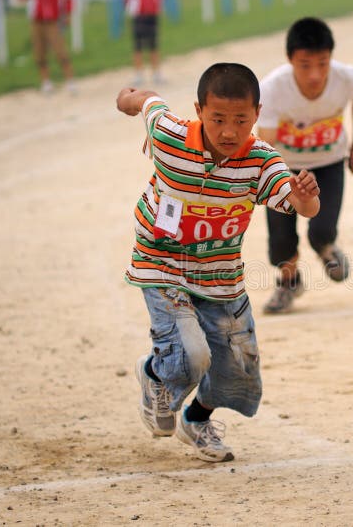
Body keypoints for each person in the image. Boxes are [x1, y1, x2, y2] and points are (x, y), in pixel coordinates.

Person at [116, 63, 321, 462]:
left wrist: (304, 195)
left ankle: (195, 420)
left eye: (241, 120)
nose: (229, 131)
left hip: (220, 275)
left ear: (257, 115)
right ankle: (157, 373)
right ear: (199, 111)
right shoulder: (171, 136)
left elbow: (303, 206)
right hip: (162, 263)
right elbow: (147, 101)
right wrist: (126, 100)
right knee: (192, 356)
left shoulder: (260, 161)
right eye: (218, 119)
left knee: (237, 367)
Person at [256, 17, 353, 314]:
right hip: (283, 169)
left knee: (321, 229)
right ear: (290, 59)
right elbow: (265, 142)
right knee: (281, 240)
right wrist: (278, 178)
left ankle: (326, 247)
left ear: (331, 57)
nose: (315, 74)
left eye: (322, 63)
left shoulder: (347, 78)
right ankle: (289, 283)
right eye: (305, 64)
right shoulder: (272, 89)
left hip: (328, 163)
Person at [19, 0, 75, 94]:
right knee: (40, 52)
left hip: (52, 22)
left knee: (61, 52)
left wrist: (67, 15)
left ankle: (70, 81)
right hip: (37, 21)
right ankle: (46, 83)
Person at [125, 0, 164, 85]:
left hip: (152, 14)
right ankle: (138, 73)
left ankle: (156, 72)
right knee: (138, 46)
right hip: (139, 15)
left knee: (153, 45)